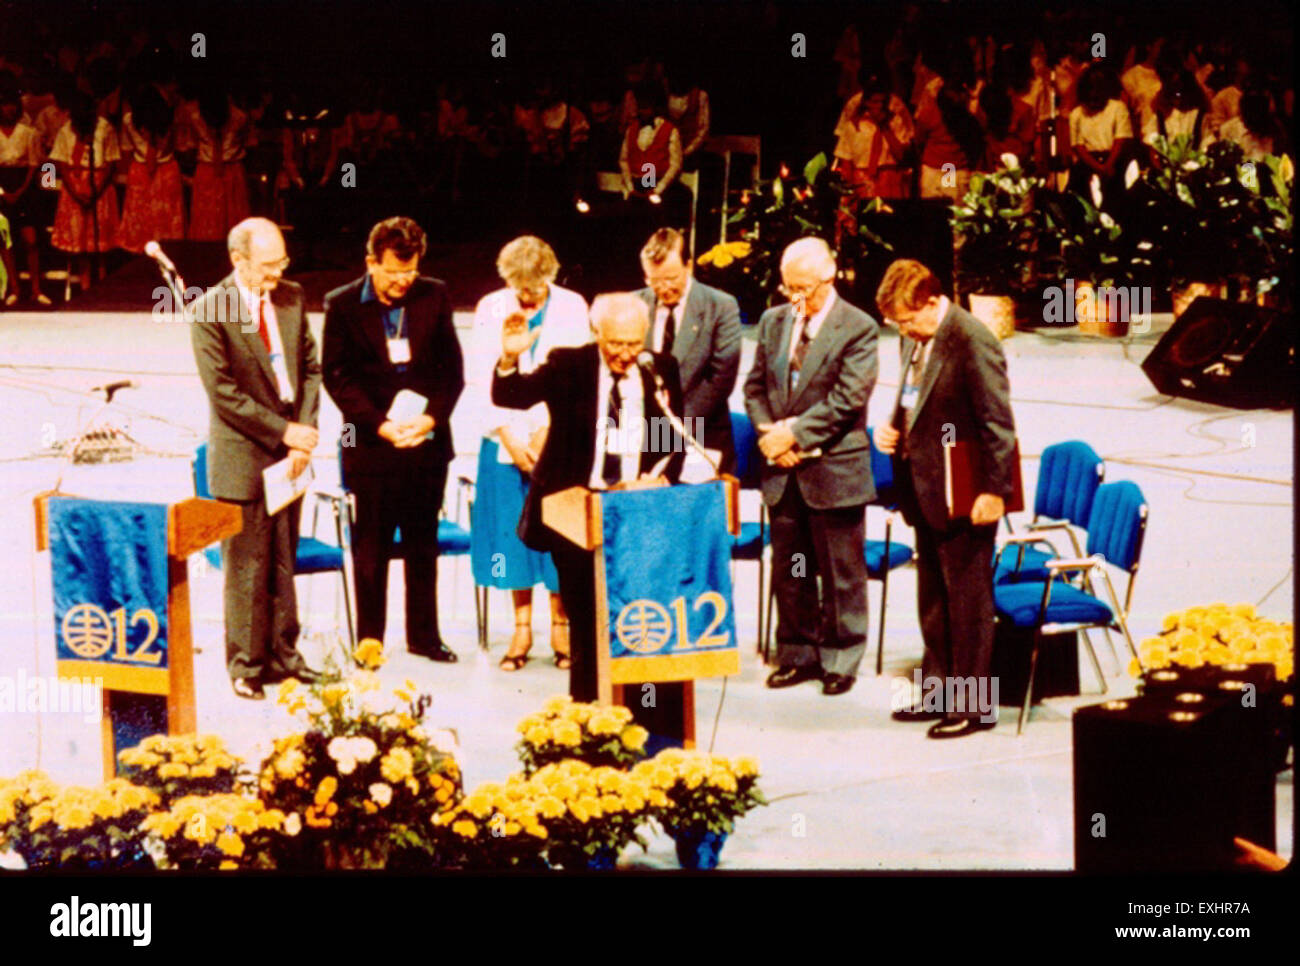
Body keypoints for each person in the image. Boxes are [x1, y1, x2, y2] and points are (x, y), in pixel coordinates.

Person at [491, 293, 685, 703]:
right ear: (597, 334)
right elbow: (512, 396)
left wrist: (663, 476)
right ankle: (587, 711)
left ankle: (636, 708)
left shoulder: (661, 368)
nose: (626, 355)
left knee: (634, 618)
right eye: (616, 344)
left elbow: (677, 437)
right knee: (586, 620)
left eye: (634, 343)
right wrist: (509, 359)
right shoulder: (569, 364)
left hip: (636, 513)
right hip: (576, 511)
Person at [873, 258, 1017, 738]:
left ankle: (975, 707)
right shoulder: (912, 336)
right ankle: (938, 691)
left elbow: (999, 426)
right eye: (898, 323)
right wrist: (892, 430)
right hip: (923, 486)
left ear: (935, 302)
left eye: (910, 320)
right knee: (934, 598)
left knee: (969, 603)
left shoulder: (974, 341)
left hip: (966, 492)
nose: (905, 330)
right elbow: (912, 396)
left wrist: (995, 492)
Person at [189, 217, 324, 699]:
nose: (276, 274)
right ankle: (246, 666)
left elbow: (310, 367)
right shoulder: (210, 310)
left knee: (284, 561)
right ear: (237, 259)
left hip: (290, 453)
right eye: (267, 266)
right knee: (247, 567)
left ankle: (286, 656)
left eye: (282, 262)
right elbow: (224, 394)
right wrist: (285, 431)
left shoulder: (291, 296)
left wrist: (303, 434)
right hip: (243, 455)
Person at [321, 217, 464, 664]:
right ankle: (370, 642)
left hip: (425, 444)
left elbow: (451, 373)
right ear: (371, 262)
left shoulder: (434, 294)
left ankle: (424, 636)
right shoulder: (341, 304)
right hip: (372, 445)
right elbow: (337, 377)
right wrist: (380, 424)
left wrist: (428, 421)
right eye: (394, 272)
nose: (403, 282)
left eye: (410, 272)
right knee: (372, 547)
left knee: (424, 543)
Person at [742, 238, 878, 696]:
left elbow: (847, 399)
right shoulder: (772, 321)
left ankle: (841, 657)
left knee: (841, 574)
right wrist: (769, 434)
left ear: (830, 276)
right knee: (792, 568)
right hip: (783, 470)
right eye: (788, 288)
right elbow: (755, 386)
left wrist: (794, 434)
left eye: (805, 288)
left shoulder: (858, 327)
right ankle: (796, 653)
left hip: (833, 470)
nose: (796, 297)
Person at [469, 235, 590, 670]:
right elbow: (480, 379)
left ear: (551, 276)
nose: (526, 295)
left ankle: (561, 624)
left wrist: (545, 434)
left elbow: (575, 380)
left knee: (558, 530)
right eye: (519, 287)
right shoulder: (490, 308)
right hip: (503, 441)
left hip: (557, 440)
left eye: (534, 287)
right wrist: (508, 435)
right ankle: (521, 627)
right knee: (509, 536)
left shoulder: (575, 307)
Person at [634, 227, 741, 474]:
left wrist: (672, 427)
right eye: (654, 279)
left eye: (671, 278)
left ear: (689, 266)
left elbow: (720, 379)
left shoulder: (721, 306)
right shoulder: (634, 304)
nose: (663, 287)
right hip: (644, 436)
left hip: (702, 435)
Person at [116, 84, 184, 253]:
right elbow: (179, 146)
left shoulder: (168, 120)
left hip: (155, 169)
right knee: (157, 218)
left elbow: (126, 148)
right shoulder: (131, 121)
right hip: (154, 170)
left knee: (154, 218)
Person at [0, 83, 49, 306]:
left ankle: (36, 289)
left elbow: (33, 165)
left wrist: (20, 191)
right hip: (2, 187)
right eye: (4, 105)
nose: (8, 109)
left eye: (11, 105)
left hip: (25, 186)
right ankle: (14, 289)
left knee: (31, 240)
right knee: (5, 242)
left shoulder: (29, 133)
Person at [832, 72, 915, 200]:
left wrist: (885, 127)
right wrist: (847, 192)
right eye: (875, 102)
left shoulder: (895, 122)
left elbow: (901, 156)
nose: (879, 106)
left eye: (883, 102)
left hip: (890, 179)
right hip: (863, 180)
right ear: (866, 102)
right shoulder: (854, 126)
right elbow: (846, 161)